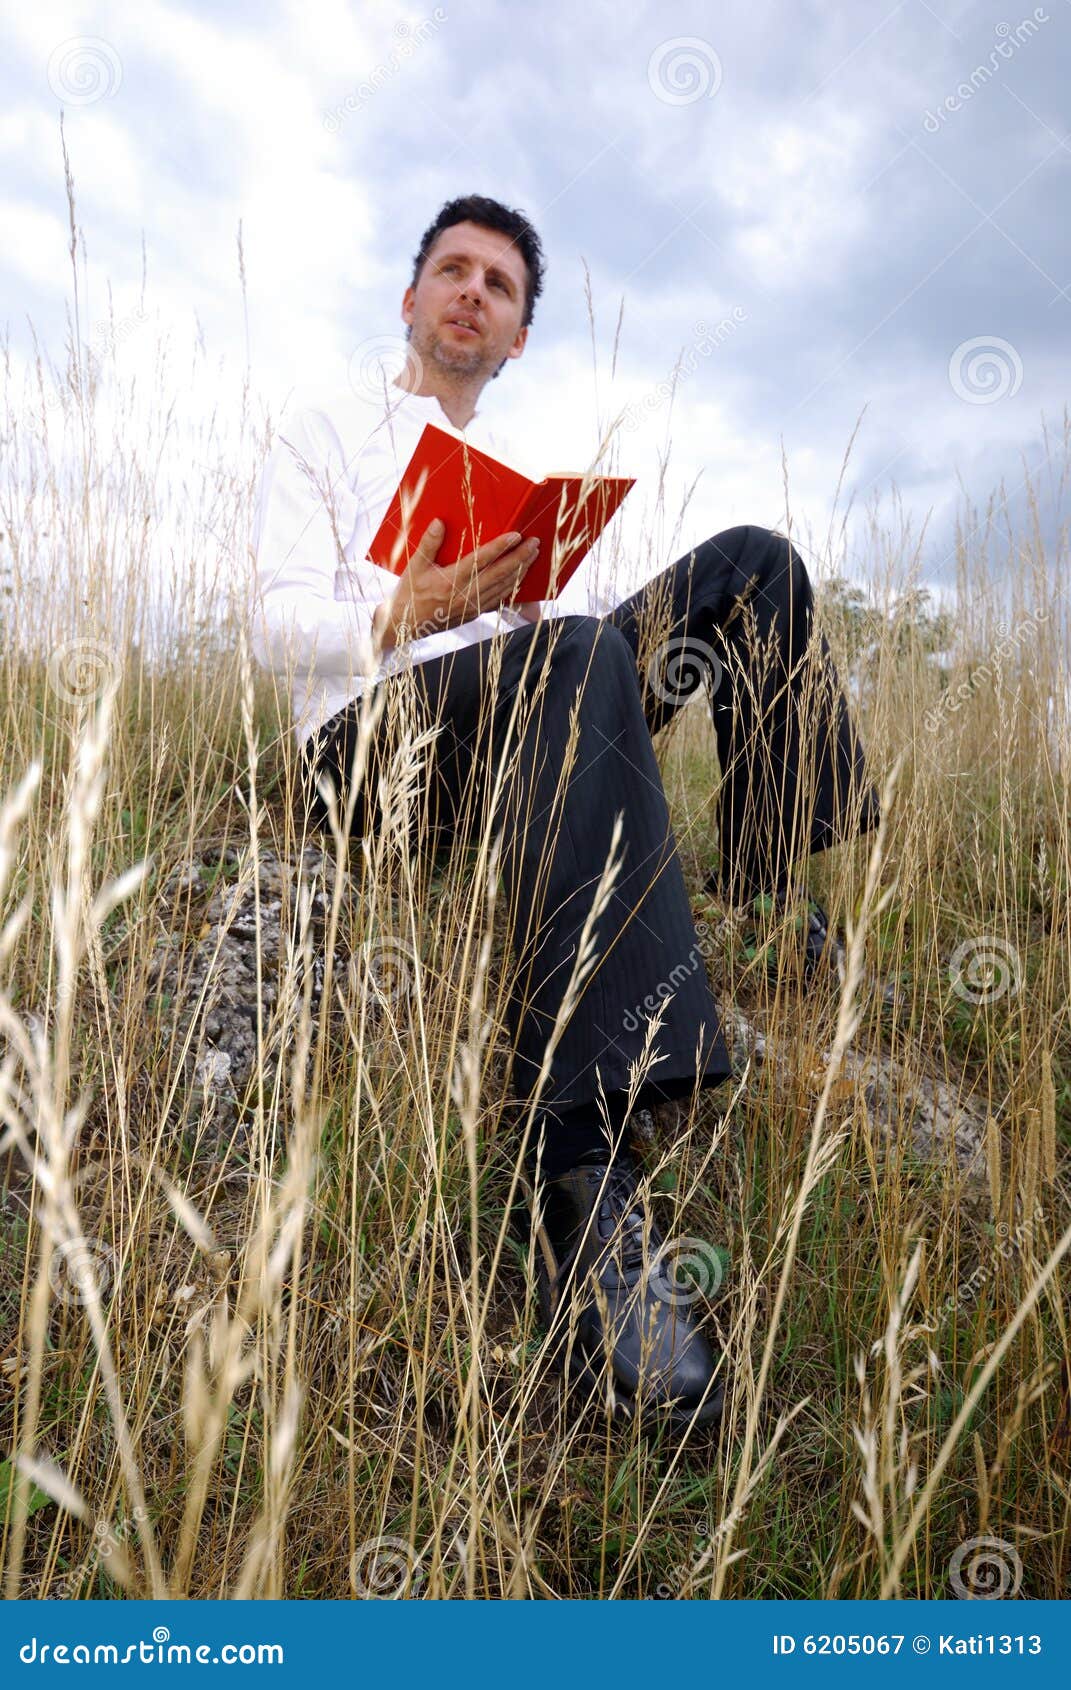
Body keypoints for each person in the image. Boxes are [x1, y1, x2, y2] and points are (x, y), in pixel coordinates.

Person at [250, 193, 880, 1434]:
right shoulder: (321, 427)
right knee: (573, 648)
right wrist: (404, 611)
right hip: (370, 751)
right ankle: (578, 1161)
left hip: (522, 730)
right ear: (412, 297)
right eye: (454, 270)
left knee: (752, 560)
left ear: (521, 334)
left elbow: (570, 654)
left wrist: (535, 607)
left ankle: (763, 893)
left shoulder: (518, 482)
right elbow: (266, 623)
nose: (473, 292)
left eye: (500, 285)